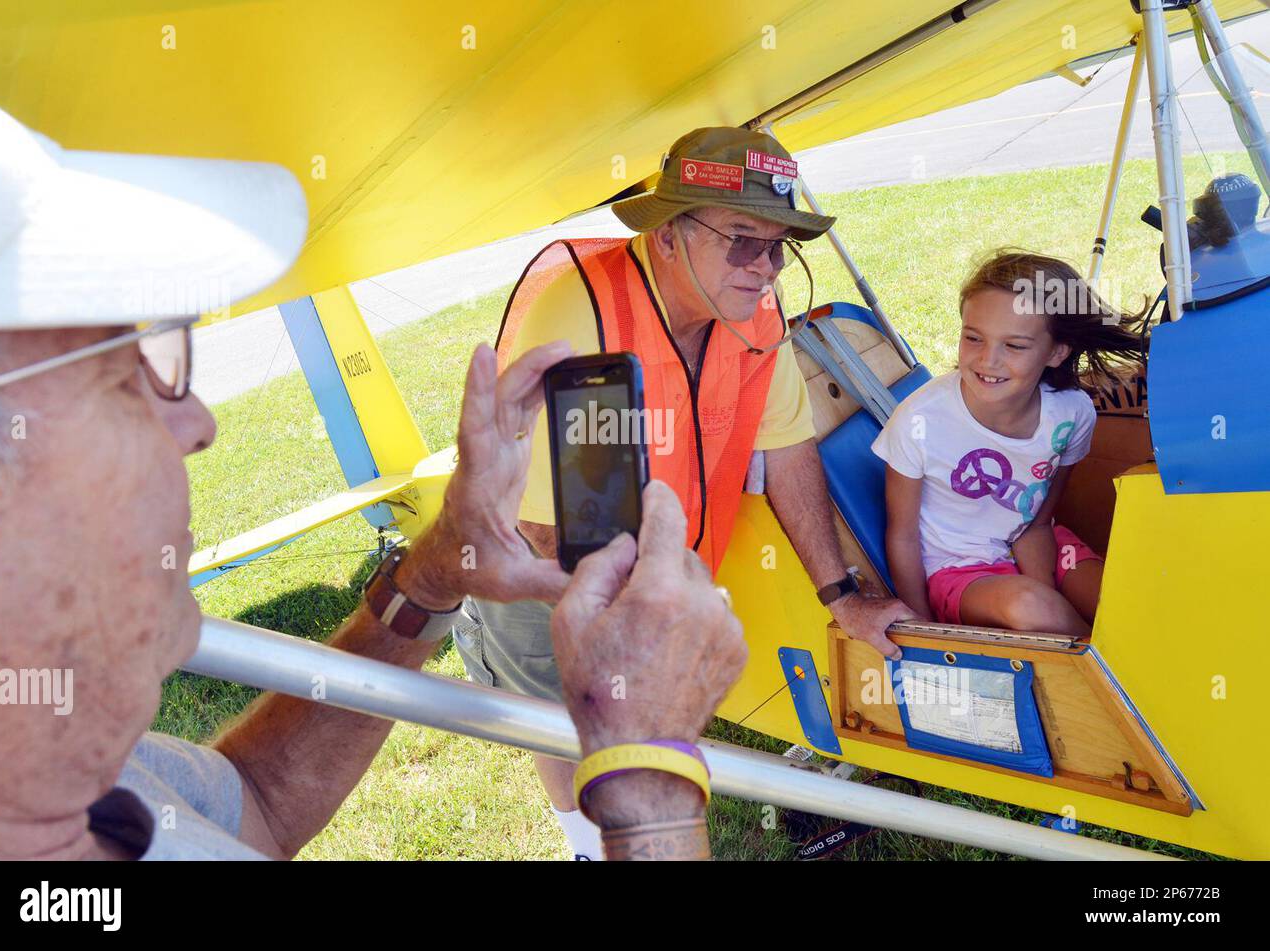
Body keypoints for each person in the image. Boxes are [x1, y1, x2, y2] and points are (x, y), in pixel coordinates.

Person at [0, 88, 745, 861]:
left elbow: (259, 805)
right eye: (119, 372)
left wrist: (434, 573)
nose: (196, 423)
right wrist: (649, 796)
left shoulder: (64, 773)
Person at [456, 126, 915, 859]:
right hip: (537, 576)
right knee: (580, 739)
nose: (763, 268)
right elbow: (551, 538)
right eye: (741, 239)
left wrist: (840, 594)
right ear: (669, 233)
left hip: (642, 567)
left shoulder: (752, 311)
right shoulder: (588, 322)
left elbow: (788, 444)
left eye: (777, 247)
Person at [875, 250, 1147, 637]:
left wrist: (1049, 592)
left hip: (1040, 547)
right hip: (958, 571)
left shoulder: (1072, 414)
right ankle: (1120, 685)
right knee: (1030, 607)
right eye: (973, 338)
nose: (989, 360)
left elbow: (1037, 524)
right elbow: (901, 535)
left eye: (1015, 346)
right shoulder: (919, 421)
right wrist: (925, 630)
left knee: (1125, 608)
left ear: (1056, 352)